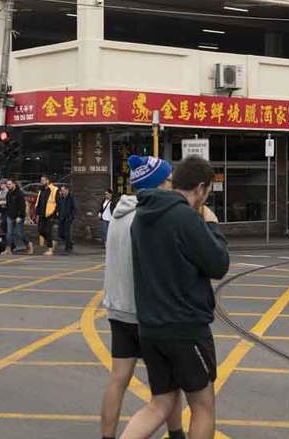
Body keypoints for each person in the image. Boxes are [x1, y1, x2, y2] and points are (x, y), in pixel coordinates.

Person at [120, 156, 229, 439]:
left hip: (151, 329)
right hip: (186, 329)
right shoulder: (186, 217)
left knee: (161, 403)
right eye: (207, 193)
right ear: (201, 187)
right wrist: (213, 227)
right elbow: (218, 264)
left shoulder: (142, 217)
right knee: (203, 406)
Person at [100, 156, 186, 439]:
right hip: (147, 314)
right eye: (170, 180)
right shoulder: (150, 218)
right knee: (167, 388)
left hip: (117, 309)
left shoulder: (117, 215)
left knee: (118, 380)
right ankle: (177, 435)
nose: (173, 186)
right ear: (158, 184)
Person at [4, 178, 28, 255]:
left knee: (19, 233)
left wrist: (20, 216)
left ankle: (28, 244)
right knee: (9, 233)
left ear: (14, 184)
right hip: (10, 215)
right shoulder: (8, 193)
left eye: (9, 184)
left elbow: (22, 206)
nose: (8, 186)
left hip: (18, 216)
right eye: (7, 184)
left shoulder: (19, 193)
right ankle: (8, 249)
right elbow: (8, 205)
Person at [35, 174, 58, 254]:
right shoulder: (41, 190)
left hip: (50, 214)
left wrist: (54, 214)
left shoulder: (54, 189)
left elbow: (57, 203)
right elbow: (38, 202)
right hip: (41, 214)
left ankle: (50, 249)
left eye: (43, 180)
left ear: (48, 181)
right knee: (41, 230)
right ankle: (51, 242)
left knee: (48, 231)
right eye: (41, 180)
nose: (41, 182)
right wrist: (37, 214)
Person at [56, 182, 77, 254]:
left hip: (68, 218)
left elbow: (74, 208)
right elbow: (58, 206)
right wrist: (58, 213)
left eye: (63, 190)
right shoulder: (61, 197)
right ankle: (70, 243)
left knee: (67, 233)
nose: (62, 191)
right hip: (61, 217)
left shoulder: (71, 197)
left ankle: (67, 248)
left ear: (67, 190)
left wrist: (71, 217)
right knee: (60, 233)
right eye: (61, 190)